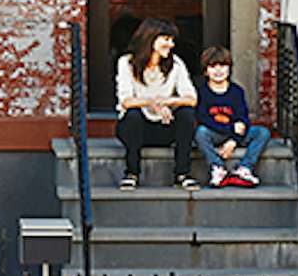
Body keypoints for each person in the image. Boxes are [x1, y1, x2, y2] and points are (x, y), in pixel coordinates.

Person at [114, 17, 200, 191]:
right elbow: (126, 101)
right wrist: (152, 103)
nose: (171, 45)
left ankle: (182, 174)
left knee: (186, 113)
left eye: (172, 40)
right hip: (136, 129)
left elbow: (191, 98)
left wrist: (167, 102)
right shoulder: (126, 63)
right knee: (133, 115)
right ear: (150, 38)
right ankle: (132, 173)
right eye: (166, 39)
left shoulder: (176, 64)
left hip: (165, 127)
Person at [194, 45, 270, 188]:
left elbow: (243, 119)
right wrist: (231, 129)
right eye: (212, 66)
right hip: (214, 133)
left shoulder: (236, 91)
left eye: (222, 65)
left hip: (236, 134)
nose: (218, 70)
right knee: (200, 133)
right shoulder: (202, 92)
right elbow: (203, 118)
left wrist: (233, 141)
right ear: (205, 70)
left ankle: (244, 169)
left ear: (229, 68)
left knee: (262, 132)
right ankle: (217, 167)